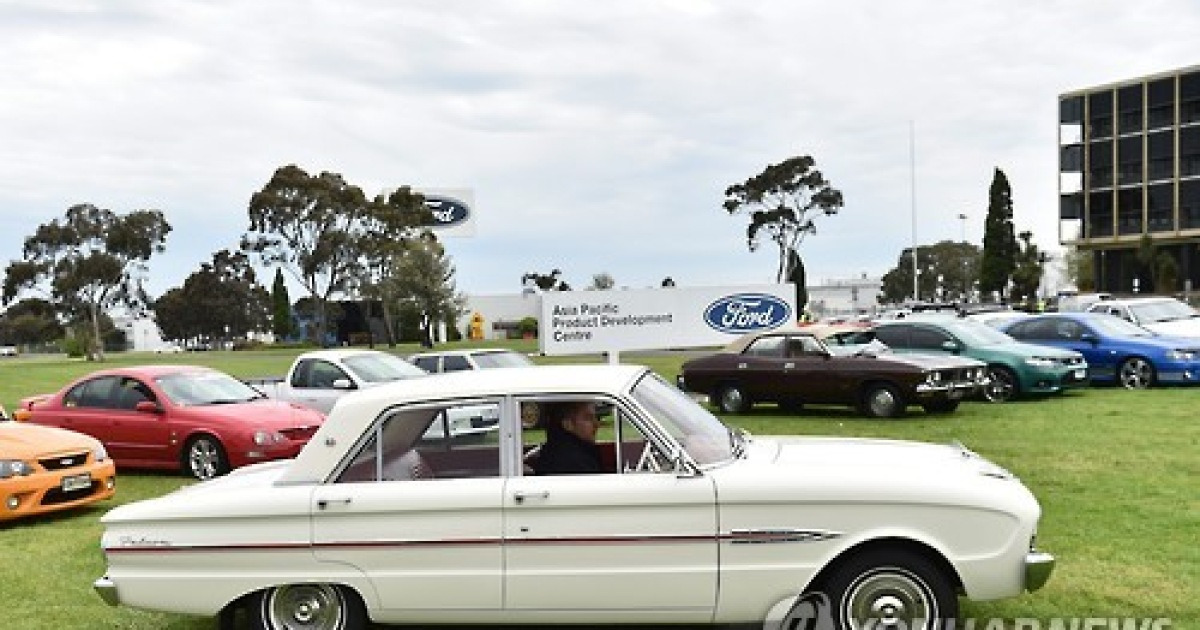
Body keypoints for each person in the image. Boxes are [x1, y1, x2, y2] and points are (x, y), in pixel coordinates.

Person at [531, 401, 604, 475]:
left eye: (595, 417)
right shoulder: (575, 461)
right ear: (567, 424)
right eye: (588, 418)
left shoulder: (557, 450)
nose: (597, 424)